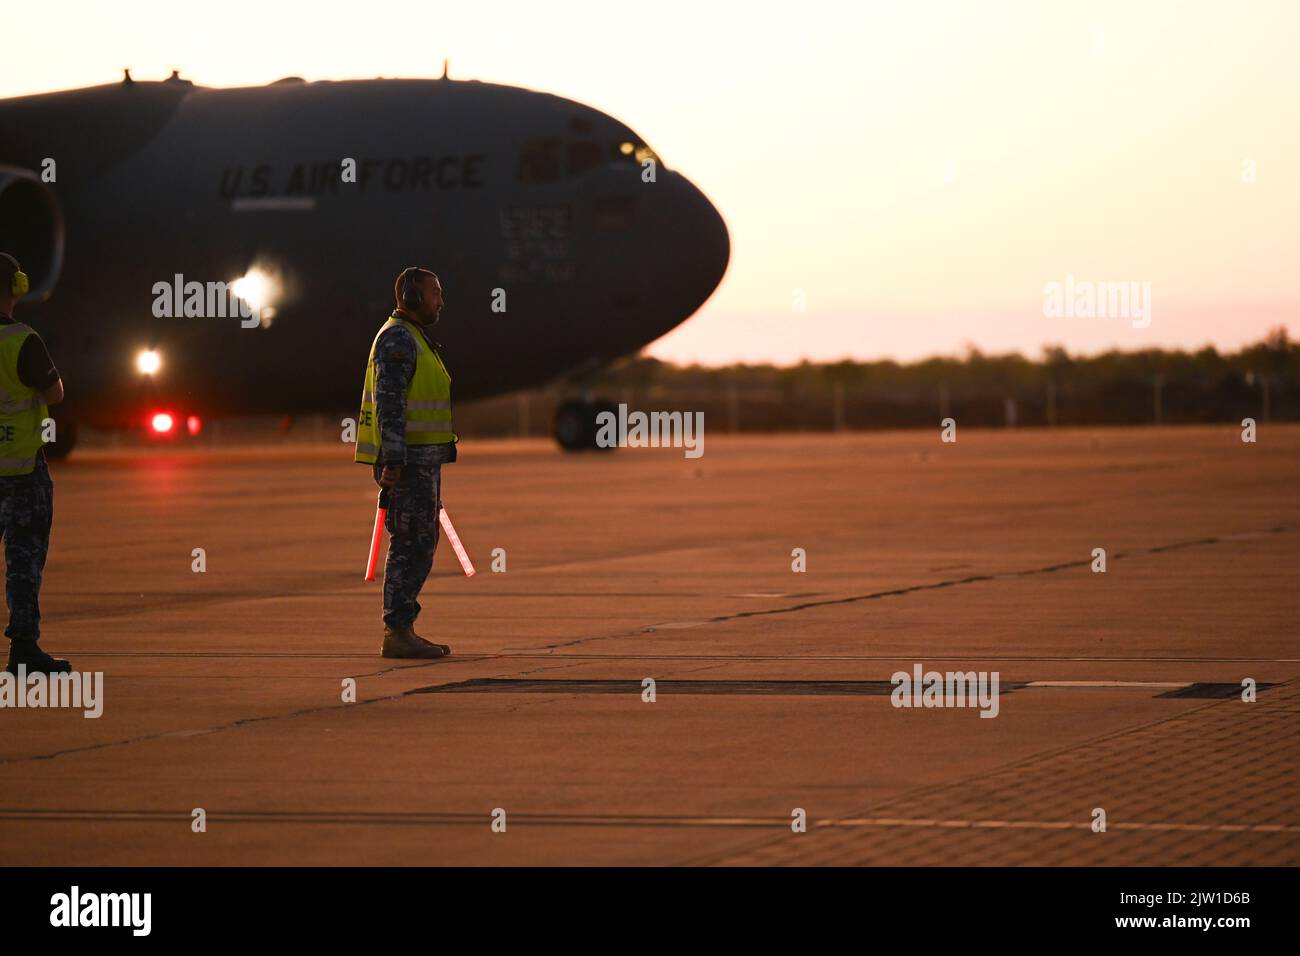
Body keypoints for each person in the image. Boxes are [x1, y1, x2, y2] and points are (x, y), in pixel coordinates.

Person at [354, 267, 457, 659]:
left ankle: (402, 628)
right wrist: (393, 460)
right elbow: (390, 403)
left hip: (422, 462)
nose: (440, 301)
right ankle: (397, 631)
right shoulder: (398, 339)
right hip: (408, 463)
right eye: (435, 294)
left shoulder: (415, 337)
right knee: (408, 545)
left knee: (421, 543)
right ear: (413, 298)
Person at [0, 252, 69, 675]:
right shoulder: (22, 339)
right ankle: (23, 651)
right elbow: (55, 392)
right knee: (23, 565)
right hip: (23, 472)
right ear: (18, 287)